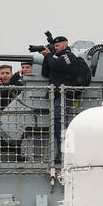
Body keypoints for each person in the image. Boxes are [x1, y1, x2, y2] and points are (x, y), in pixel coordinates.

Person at [39, 36, 77, 164]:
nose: (55, 48)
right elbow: (45, 72)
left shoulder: (68, 56)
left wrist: (49, 56)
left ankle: (65, 154)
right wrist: (46, 57)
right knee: (57, 122)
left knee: (61, 122)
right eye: (54, 46)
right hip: (56, 95)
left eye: (57, 46)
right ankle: (62, 153)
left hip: (64, 94)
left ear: (65, 45)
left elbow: (56, 66)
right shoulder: (55, 57)